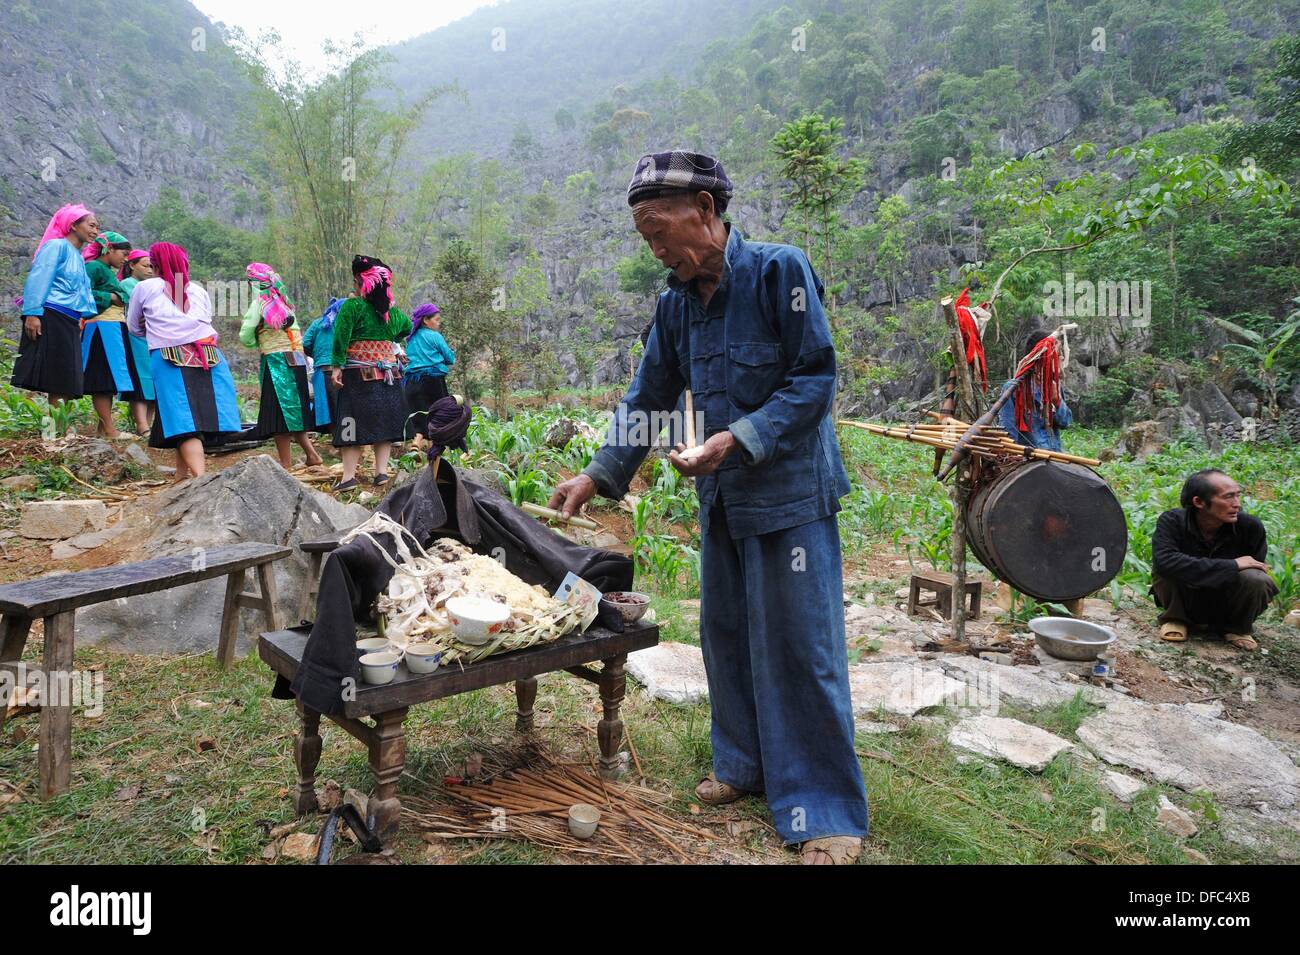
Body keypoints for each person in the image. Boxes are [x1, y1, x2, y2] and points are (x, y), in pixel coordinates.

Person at [549, 150, 868, 865]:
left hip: (788, 497)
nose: (657, 248)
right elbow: (648, 395)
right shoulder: (675, 304)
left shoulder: (780, 271)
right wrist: (599, 476)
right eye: (646, 237)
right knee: (726, 635)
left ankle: (826, 809)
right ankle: (745, 766)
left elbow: (816, 378)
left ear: (705, 209)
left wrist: (739, 437)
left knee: (799, 646)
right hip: (722, 496)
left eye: (662, 230)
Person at [126, 242, 242, 481]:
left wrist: (152, 329)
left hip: (170, 358)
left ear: (155, 263)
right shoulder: (197, 289)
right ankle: (181, 475)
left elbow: (132, 326)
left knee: (182, 419)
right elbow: (205, 319)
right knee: (191, 417)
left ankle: (201, 479)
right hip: (208, 357)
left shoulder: (145, 287)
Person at [1151, 468, 1278, 651]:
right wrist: (1233, 565)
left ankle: (1237, 628)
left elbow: (1255, 570)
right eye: (1228, 497)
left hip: (1226, 601)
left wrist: (1221, 570)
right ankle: (1176, 619)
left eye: (1237, 496)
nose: (1237, 504)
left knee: (1256, 579)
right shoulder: (1172, 521)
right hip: (1184, 598)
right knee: (1167, 567)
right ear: (1199, 502)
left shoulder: (1250, 527)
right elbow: (1165, 561)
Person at [329, 255, 412, 492]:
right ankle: (381, 474)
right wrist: (389, 342)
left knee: (349, 422)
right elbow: (407, 327)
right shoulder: (392, 313)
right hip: (388, 377)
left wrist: (337, 366)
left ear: (359, 282)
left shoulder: (352, 306)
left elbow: (341, 337)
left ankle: (347, 478)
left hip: (357, 377)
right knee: (383, 424)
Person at [12, 204, 99, 405]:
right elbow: (39, 277)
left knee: (67, 375)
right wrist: (33, 313)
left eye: (97, 227)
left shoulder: (77, 255)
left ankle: (60, 427)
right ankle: (53, 430)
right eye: (91, 225)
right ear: (74, 226)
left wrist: (80, 317)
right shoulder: (56, 246)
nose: (95, 231)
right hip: (52, 314)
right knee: (56, 376)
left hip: (69, 318)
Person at [240, 263, 323, 470]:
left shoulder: (260, 304)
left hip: (276, 363)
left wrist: (257, 342)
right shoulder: (285, 302)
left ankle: (285, 465)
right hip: (295, 360)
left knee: (278, 414)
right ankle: (312, 455)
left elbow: (245, 335)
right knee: (294, 412)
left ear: (255, 283)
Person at [81, 231, 147, 439]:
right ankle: (109, 429)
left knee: (108, 378)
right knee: (102, 378)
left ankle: (104, 429)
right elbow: (82, 291)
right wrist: (110, 296)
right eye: (123, 253)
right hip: (101, 326)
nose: (125, 259)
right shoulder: (93, 267)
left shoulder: (106, 269)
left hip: (112, 327)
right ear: (109, 249)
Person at [997, 327, 1073, 451]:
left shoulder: (1055, 386)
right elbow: (1008, 429)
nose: (1062, 358)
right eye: (1058, 354)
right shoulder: (1015, 388)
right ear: (1043, 356)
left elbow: (1066, 423)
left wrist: (1057, 401)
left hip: (1055, 456)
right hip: (1030, 460)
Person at [403, 302, 456, 448]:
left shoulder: (410, 338)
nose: (439, 323)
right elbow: (450, 358)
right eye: (437, 320)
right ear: (426, 320)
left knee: (419, 412)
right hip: (433, 381)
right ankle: (438, 450)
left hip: (412, 382)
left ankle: (417, 440)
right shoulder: (435, 336)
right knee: (439, 414)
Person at [118, 249, 156, 434]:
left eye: (152, 266)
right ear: (132, 265)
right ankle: (142, 425)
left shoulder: (151, 285)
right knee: (140, 380)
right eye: (145, 265)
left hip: (152, 337)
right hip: (136, 338)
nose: (150, 270)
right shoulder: (128, 284)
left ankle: (147, 426)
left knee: (153, 381)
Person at [301, 297, 344, 437]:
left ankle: (335, 439)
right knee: (343, 407)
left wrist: (316, 355)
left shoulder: (317, 323)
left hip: (322, 370)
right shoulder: (345, 324)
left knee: (326, 409)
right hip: (343, 370)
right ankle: (345, 440)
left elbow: (305, 343)